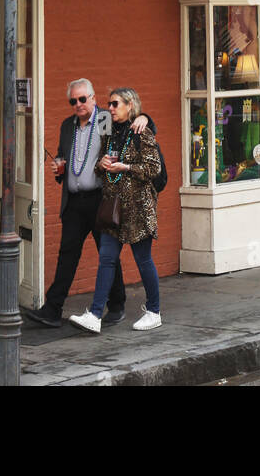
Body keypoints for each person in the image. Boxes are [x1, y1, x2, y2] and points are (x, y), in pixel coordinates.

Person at [22, 78, 150, 327]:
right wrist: (59, 168)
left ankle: (117, 305)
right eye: (73, 101)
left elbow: (129, 123)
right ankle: (52, 308)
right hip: (74, 201)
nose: (78, 105)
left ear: (92, 98)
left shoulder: (104, 120)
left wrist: (145, 117)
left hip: (100, 199)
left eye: (83, 99)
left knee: (107, 253)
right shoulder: (67, 126)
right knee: (67, 254)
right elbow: (62, 155)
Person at [70, 86, 162, 334]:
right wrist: (102, 164)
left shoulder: (142, 132)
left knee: (143, 260)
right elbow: (100, 166)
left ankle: (154, 311)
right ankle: (96, 314)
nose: (109, 109)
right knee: (107, 259)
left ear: (129, 105)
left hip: (138, 209)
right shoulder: (109, 132)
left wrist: (126, 168)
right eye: (109, 104)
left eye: (115, 104)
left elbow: (154, 169)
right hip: (113, 208)